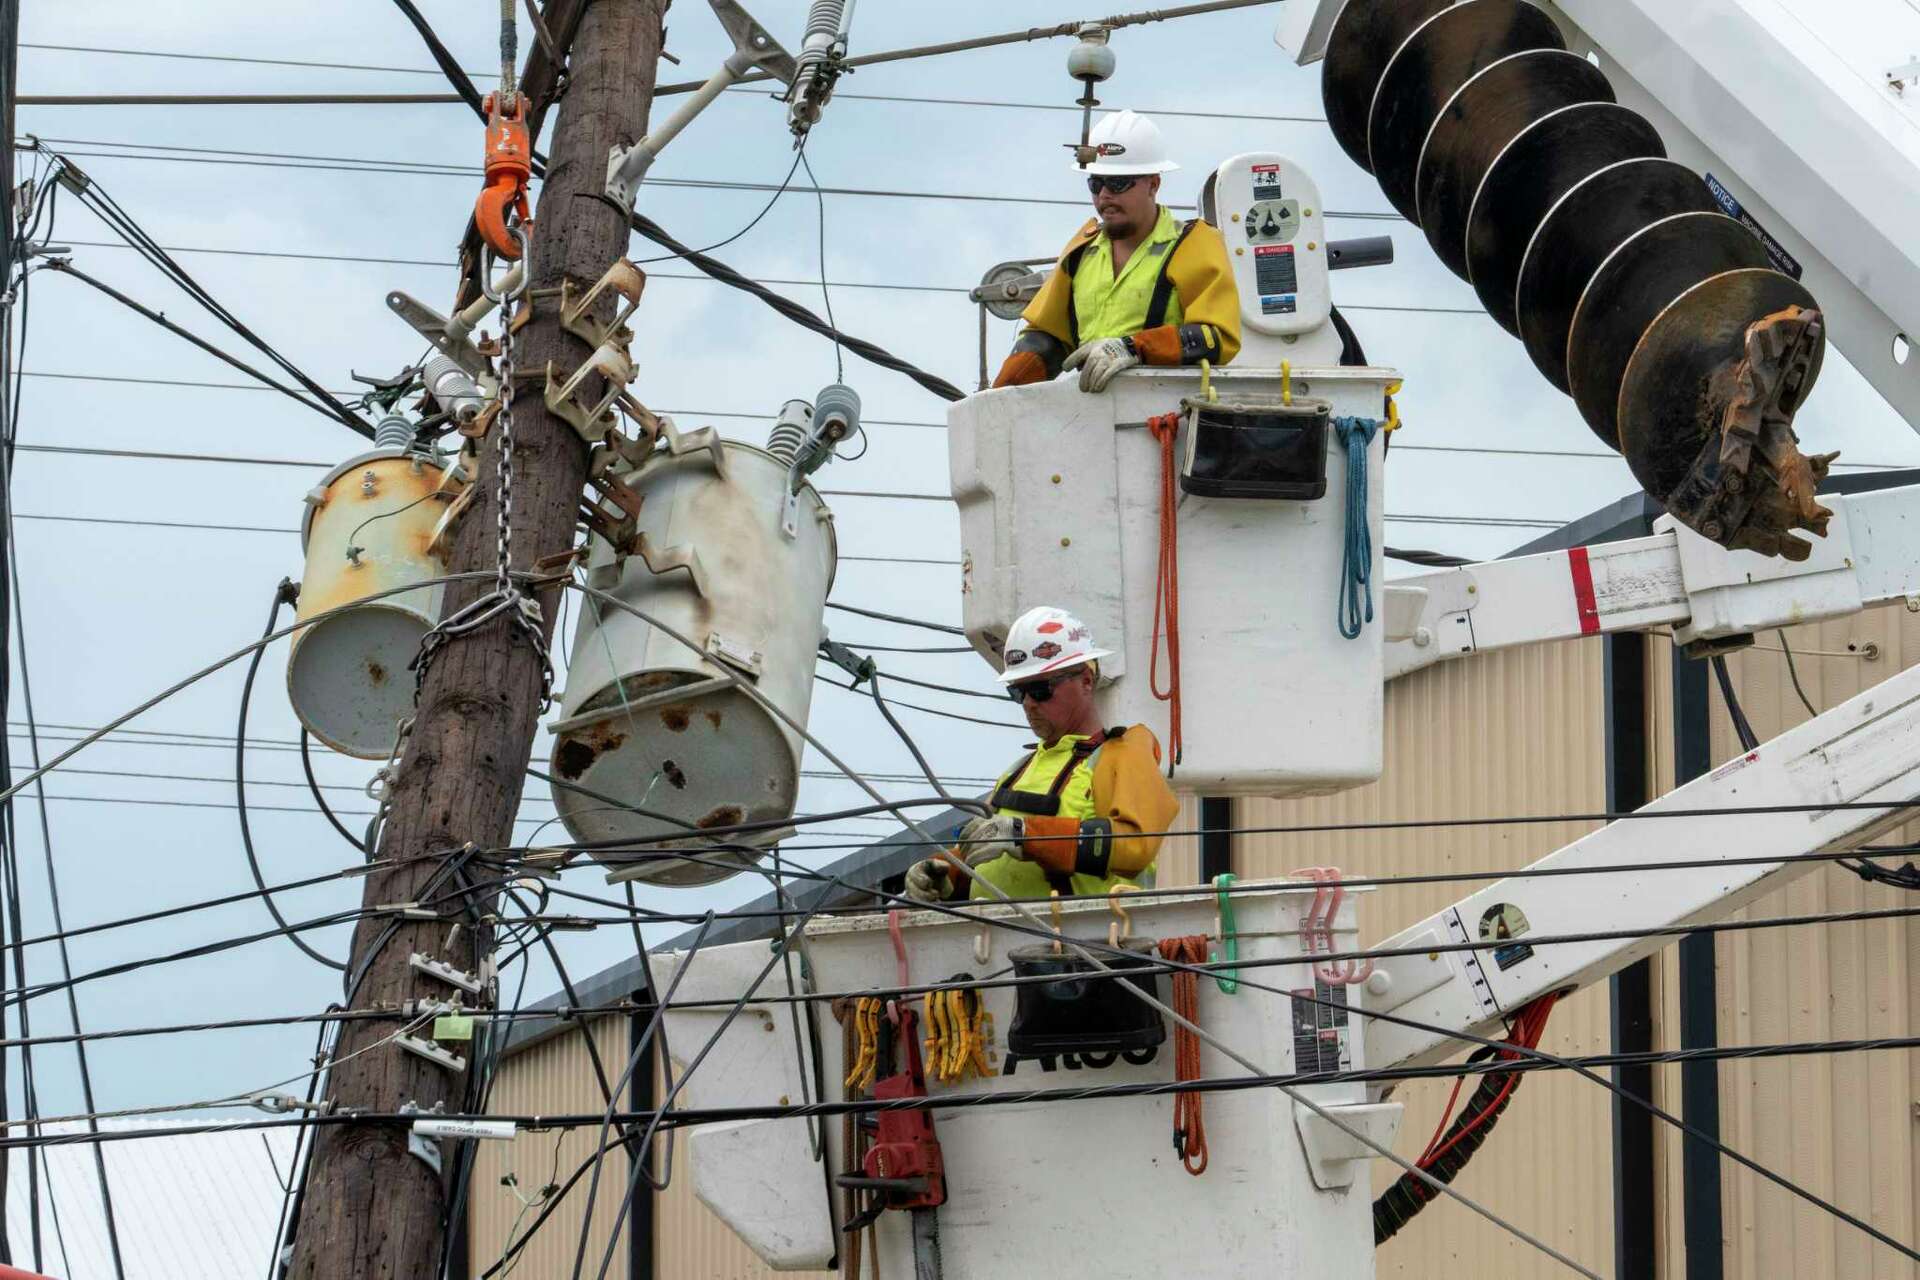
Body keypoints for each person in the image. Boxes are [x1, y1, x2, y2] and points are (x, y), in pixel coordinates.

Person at [905, 606, 1180, 903]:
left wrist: (1025, 835)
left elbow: (1135, 846)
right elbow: (991, 853)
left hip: (1088, 941)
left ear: (1086, 681)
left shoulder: (1122, 755)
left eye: (1040, 689)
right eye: (1018, 691)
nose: (1028, 703)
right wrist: (948, 872)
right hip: (995, 940)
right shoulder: (1017, 772)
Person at [990, 110, 1242, 395]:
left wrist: (1134, 348)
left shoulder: (1191, 243)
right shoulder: (1081, 252)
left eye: (1118, 183)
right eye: (1096, 184)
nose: (1104, 196)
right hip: (1089, 416)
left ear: (1153, 184)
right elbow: (1048, 338)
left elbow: (1216, 337)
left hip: (1167, 419)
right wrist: (1000, 395)